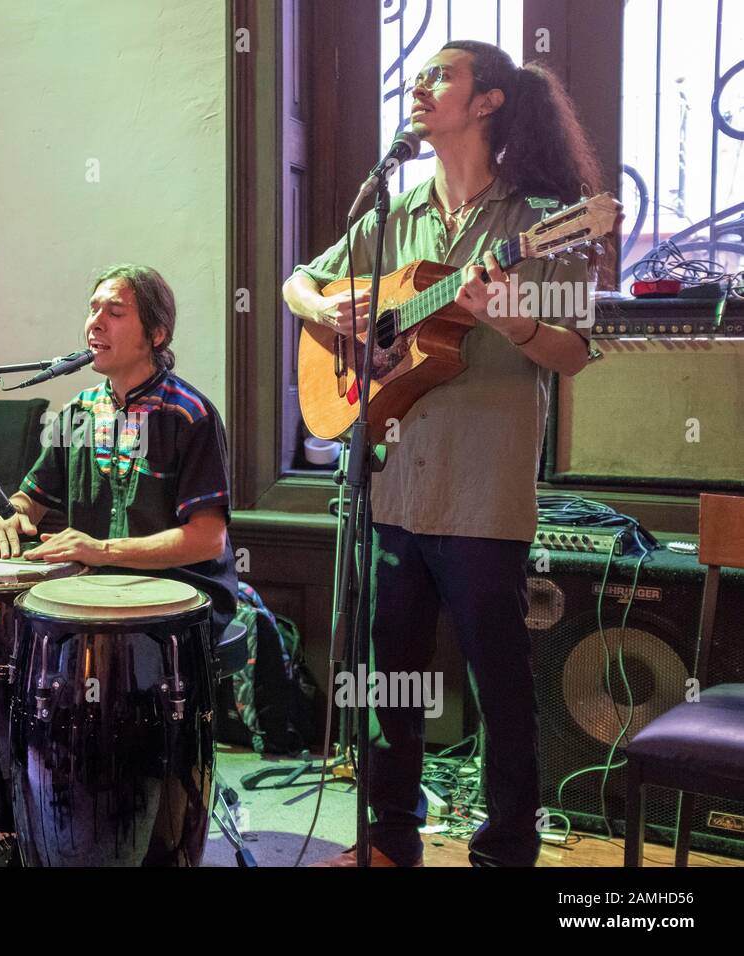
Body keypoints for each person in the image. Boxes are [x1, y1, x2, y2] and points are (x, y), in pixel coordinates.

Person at [283, 41, 603, 866]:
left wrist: (508, 321)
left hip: (482, 495)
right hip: (392, 486)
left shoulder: (537, 223)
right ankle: (389, 838)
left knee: (499, 689)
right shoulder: (396, 215)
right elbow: (295, 282)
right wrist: (334, 309)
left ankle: (504, 851)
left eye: (441, 76)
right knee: (388, 680)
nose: (419, 87)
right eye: (418, 76)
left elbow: (573, 351)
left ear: (489, 101)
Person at [0, 263, 238, 639]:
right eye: (93, 309)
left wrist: (102, 550)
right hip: (96, 596)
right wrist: (7, 517)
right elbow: (28, 500)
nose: (95, 323)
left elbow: (207, 537)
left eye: (114, 312)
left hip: (179, 606)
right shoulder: (77, 414)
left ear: (156, 334)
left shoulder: (189, 415)